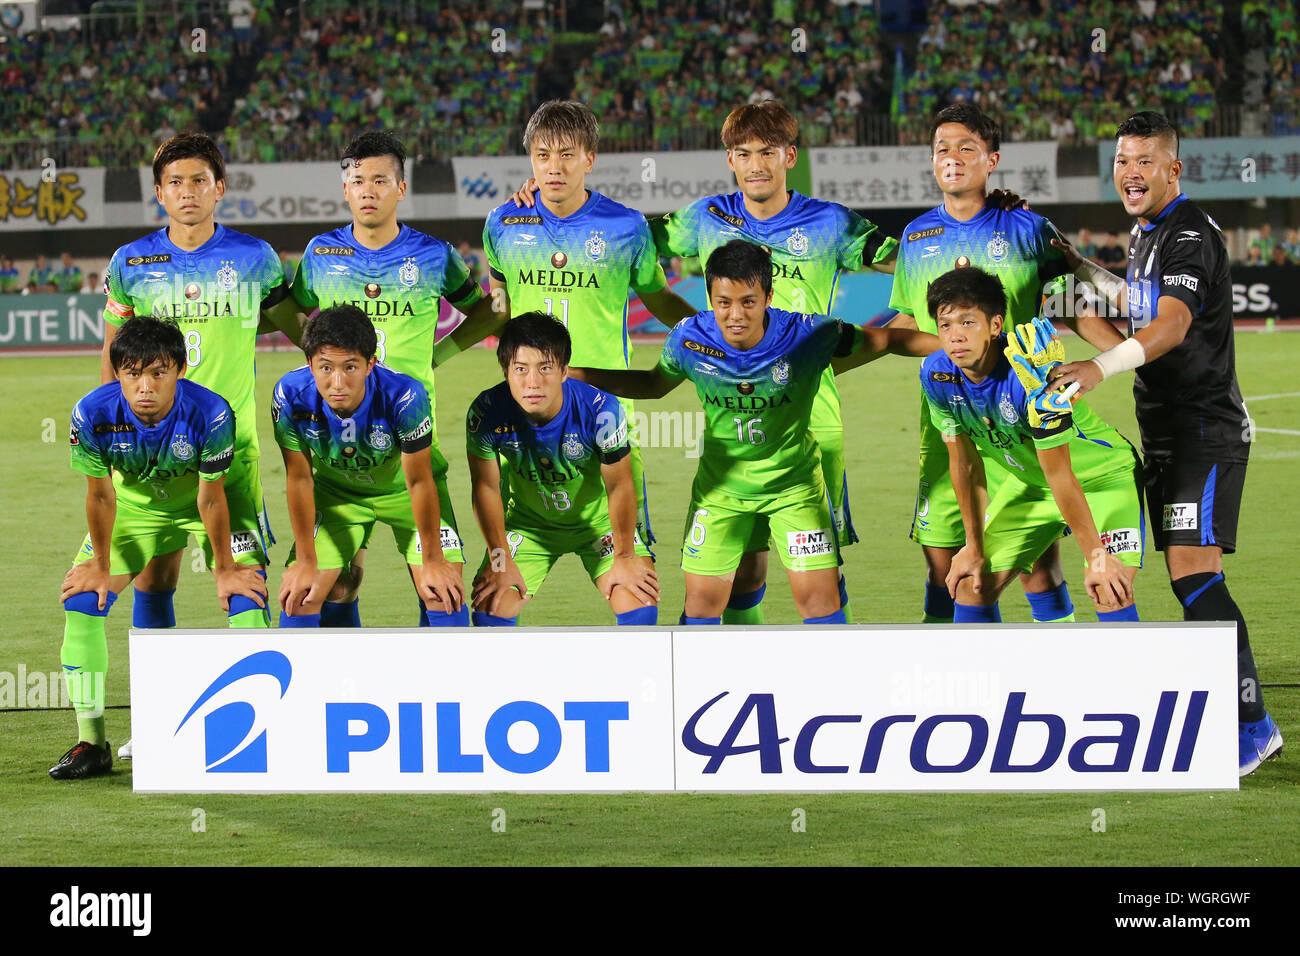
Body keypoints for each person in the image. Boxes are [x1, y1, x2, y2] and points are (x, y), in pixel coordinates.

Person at [512, 100, 900, 626]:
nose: (756, 164)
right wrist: (547, 195)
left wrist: (981, 217)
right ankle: (741, 687)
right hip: (733, 428)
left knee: (824, 576)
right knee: (742, 569)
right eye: (743, 153)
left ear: (790, 156)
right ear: (729, 160)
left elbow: (915, 259)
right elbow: (617, 230)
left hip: (811, 422)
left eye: (768, 152)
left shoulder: (830, 222)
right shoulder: (704, 218)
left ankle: (832, 685)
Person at [1050, 110, 1283, 777]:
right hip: (1168, 430)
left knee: (1194, 571)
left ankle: (1253, 725)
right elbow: (1135, 323)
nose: (1130, 172)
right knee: (1191, 578)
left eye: (1144, 161)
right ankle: (1234, 711)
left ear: (1172, 169)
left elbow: (1172, 325)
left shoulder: (1188, 234)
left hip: (1202, 427)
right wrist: (1071, 291)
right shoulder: (1147, 234)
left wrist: (1097, 368)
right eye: (1122, 161)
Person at [570, 240, 939, 624]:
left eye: (748, 301)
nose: (735, 315)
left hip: (793, 489)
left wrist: (955, 346)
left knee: (819, 603)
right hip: (721, 493)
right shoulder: (689, 339)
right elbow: (652, 385)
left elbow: (890, 339)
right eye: (723, 302)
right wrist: (574, 374)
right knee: (700, 608)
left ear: (768, 297)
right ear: (709, 296)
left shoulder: (809, 334)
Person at [101, 132, 299, 759]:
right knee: (154, 580)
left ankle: (261, 725)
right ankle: (159, 718)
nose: (188, 193)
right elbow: (114, 356)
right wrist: (114, 427)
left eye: (199, 181)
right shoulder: (131, 263)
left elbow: (295, 326)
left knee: (243, 576)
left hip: (230, 452)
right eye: (175, 182)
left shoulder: (256, 257)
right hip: (152, 453)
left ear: (221, 187)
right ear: (158, 193)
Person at [440, 100, 697, 553]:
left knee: (630, 562)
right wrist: (438, 352)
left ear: (589, 159)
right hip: (528, 407)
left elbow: (658, 298)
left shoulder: (626, 226)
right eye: (542, 155)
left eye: (566, 154)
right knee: (514, 557)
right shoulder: (503, 222)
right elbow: (498, 305)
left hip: (607, 409)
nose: (553, 168)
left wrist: (712, 335)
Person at [290, 131, 500, 627]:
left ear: (400, 189)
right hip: (337, 453)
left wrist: (439, 353)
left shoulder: (434, 254)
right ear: (346, 190)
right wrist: (316, 361)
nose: (367, 190)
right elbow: (292, 314)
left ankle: (435, 699)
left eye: (380, 180)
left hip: (412, 447)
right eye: (357, 180)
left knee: (442, 590)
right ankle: (341, 695)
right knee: (334, 585)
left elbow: (488, 313)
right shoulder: (321, 254)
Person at [51, 316, 268, 779]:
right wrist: (101, 565)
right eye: (132, 373)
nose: (144, 386)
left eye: (158, 372)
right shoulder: (91, 412)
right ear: (117, 374)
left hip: (208, 503)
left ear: (180, 370)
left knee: (247, 595)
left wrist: (226, 568)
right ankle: (92, 742)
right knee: (83, 600)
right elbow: (101, 495)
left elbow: (211, 498)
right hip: (136, 508)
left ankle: (261, 735)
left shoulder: (212, 413)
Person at [887, 103, 1078, 625]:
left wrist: (1122, 357)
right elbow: (908, 321)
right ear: (931, 162)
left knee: (1039, 563)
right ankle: (951, 677)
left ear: (991, 160)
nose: (952, 158)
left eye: (966, 147)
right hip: (950, 414)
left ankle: (1063, 676)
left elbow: (1068, 310)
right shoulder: (916, 237)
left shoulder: (1030, 228)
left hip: (1022, 417)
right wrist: (842, 356)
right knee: (945, 560)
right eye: (942, 149)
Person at [919, 268, 1143, 622]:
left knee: (1109, 588)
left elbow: (1061, 473)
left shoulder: (1030, 375)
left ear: (995, 325)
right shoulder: (937, 375)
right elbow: (964, 465)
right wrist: (973, 547)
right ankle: (991, 678)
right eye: (945, 325)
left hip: (1102, 480)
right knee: (970, 583)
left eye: (967, 323)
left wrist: (1097, 556)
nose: (955, 337)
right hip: (1034, 486)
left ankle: (1132, 678)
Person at [271, 305, 465, 627]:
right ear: (309, 364)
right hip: (339, 495)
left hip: (405, 492)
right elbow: (299, 478)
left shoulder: (405, 397)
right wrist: (306, 560)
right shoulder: (290, 395)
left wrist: (433, 560)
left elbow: (419, 481)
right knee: (300, 598)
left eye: (350, 367)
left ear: (370, 364)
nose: (337, 382)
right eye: (325, 368)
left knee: (443, 595)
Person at [466, 311, 659, 626]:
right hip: (530, 526)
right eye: (520, 369)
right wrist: (499, 559)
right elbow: (485, 487)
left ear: (564, 370)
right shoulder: (486, 412)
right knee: (492, 608)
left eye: (545, 368)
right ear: (505, 371)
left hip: (599, 525)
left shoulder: (602, 411)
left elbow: (620, 486)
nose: (533, 383)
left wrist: (625, 556)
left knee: (640, 604)